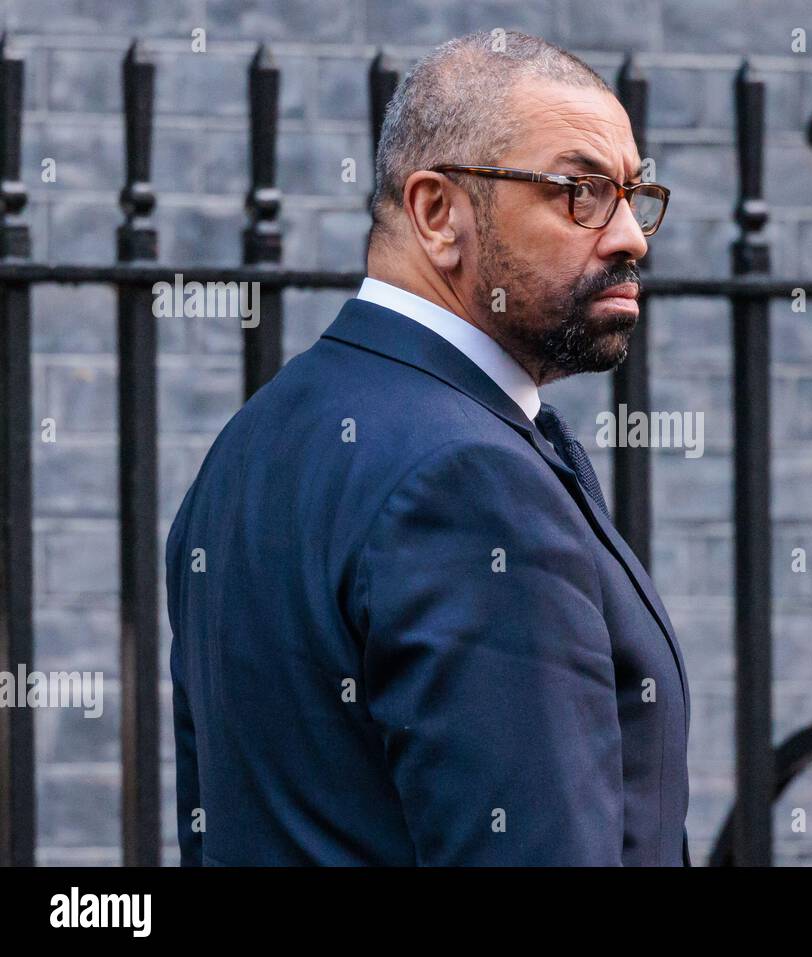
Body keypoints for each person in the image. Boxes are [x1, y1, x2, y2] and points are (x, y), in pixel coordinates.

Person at [165, 30, 689, 866]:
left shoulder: (248, 446)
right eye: (581, 190)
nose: (631, 236)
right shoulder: (469, 481)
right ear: (437, 212)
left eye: (633, 193)